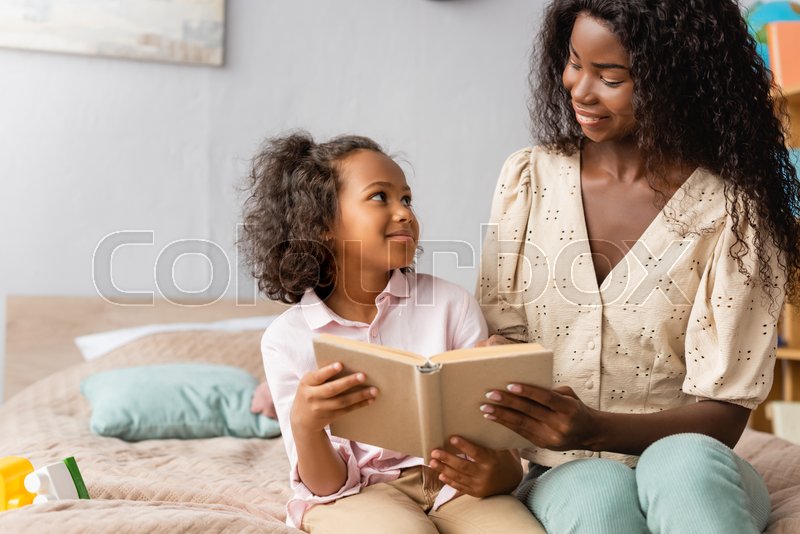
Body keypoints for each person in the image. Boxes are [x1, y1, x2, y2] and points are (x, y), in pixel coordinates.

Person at [427, 1, 800, 532]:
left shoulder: (734, 215)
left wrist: (593, 428)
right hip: (563, 471)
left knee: (683, 464)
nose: (580, 89)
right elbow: (502, 345)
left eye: (611, 77)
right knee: (595, 496)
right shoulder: (528, 180)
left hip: (695, 456)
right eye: (575, 62)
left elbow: (725, 411)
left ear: (675, 82)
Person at [239, 132, 545, 533]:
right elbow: (326, 485)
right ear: (321, 224)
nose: (404, 213)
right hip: (356, 494)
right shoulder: (287, 339)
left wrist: (497, 476)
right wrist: (306, 425)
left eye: (407, 199)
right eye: (380, 197)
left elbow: (501, 457)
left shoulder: (451, 305)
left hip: (457, 487)